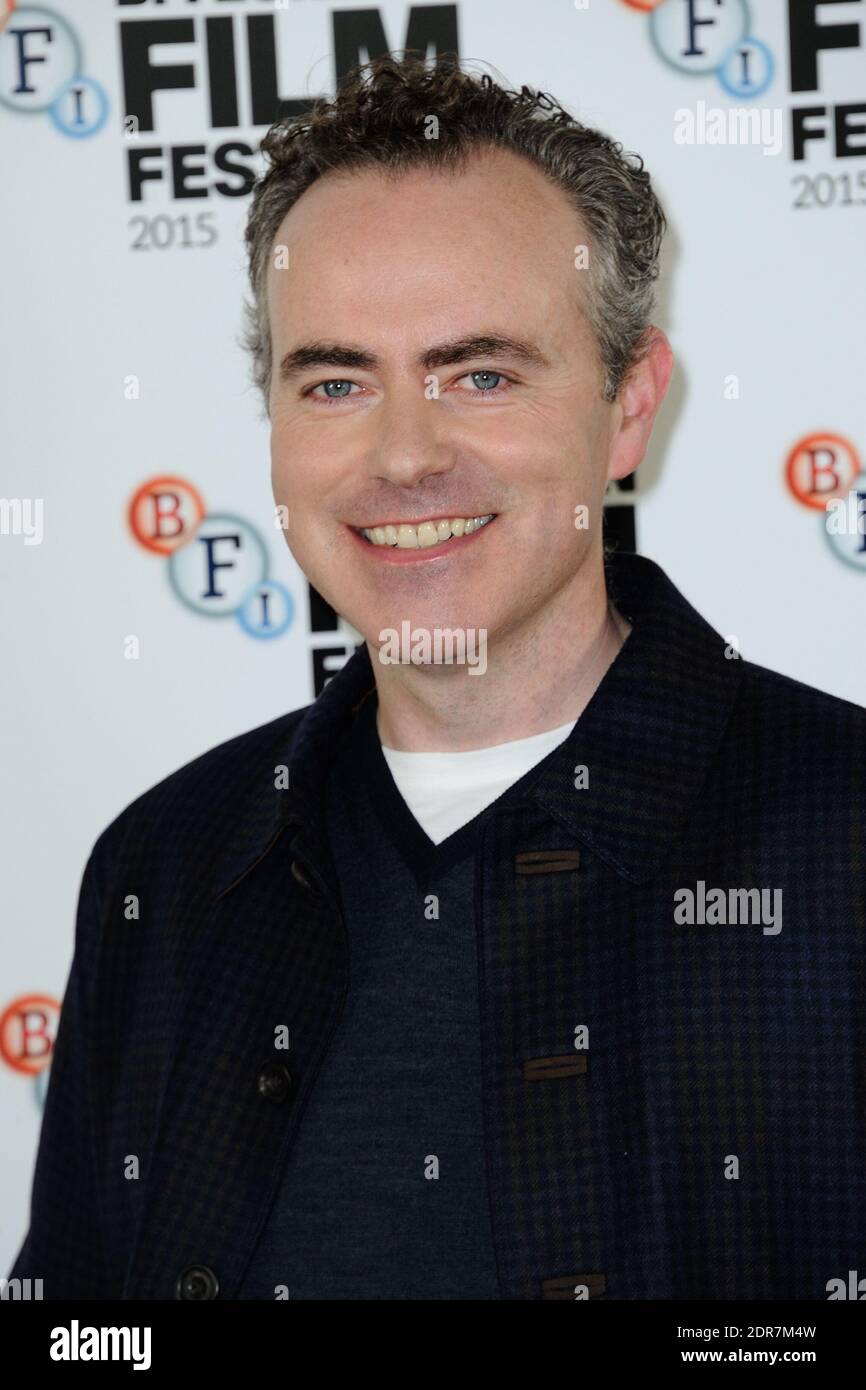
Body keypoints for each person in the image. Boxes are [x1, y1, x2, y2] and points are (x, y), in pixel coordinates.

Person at [9, 53, 865, 1301]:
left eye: (479, 374)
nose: (404, 455)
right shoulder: (166, 869)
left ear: (628, 407)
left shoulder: (841, 840)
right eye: (337, 381)